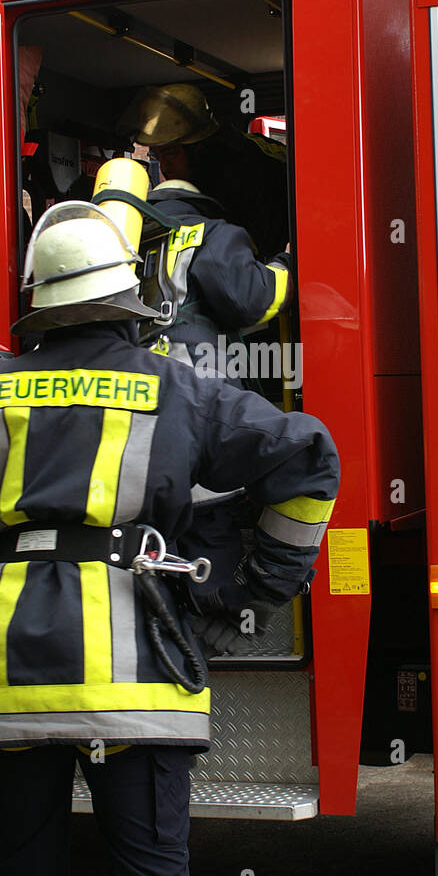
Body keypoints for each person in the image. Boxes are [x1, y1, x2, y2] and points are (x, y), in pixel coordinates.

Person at [0, 182, 339, 876]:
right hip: (142, 681)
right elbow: (308, 458)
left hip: (11, 686)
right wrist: (260, 581)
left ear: (38, 308)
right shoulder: (176, 390)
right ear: (128, 300)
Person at [142, 175, 293, 651]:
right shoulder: (211, 232)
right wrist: (287, 261)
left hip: (126, 456)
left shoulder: (116, 240)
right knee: (211, 581)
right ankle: (207, 651)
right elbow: (253, 299)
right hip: (204, 452)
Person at [125, 83, 289, 260]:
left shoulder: (244, 177)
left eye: (171, 154)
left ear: (198, 148)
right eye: (157, 157)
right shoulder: (229, 159)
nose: (164, 167)